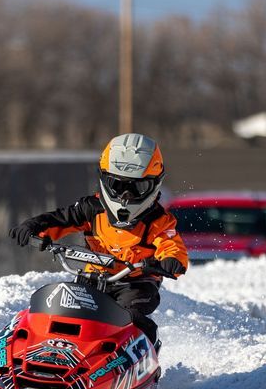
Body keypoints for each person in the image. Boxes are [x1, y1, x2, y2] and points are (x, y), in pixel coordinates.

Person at [10, 133, 188, 344]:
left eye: (136, 188)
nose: (125, 197)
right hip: (92, 277)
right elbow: (61, 219)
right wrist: (33, 226)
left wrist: (170, 260)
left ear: (155, 185)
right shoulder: (91, 208)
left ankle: (145, 353)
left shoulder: (158, 220)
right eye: (118, 186)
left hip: (136, 283)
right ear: (104, 179)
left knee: (130, 319)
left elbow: (171, 245)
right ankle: (51, 349)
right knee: (65, 312)